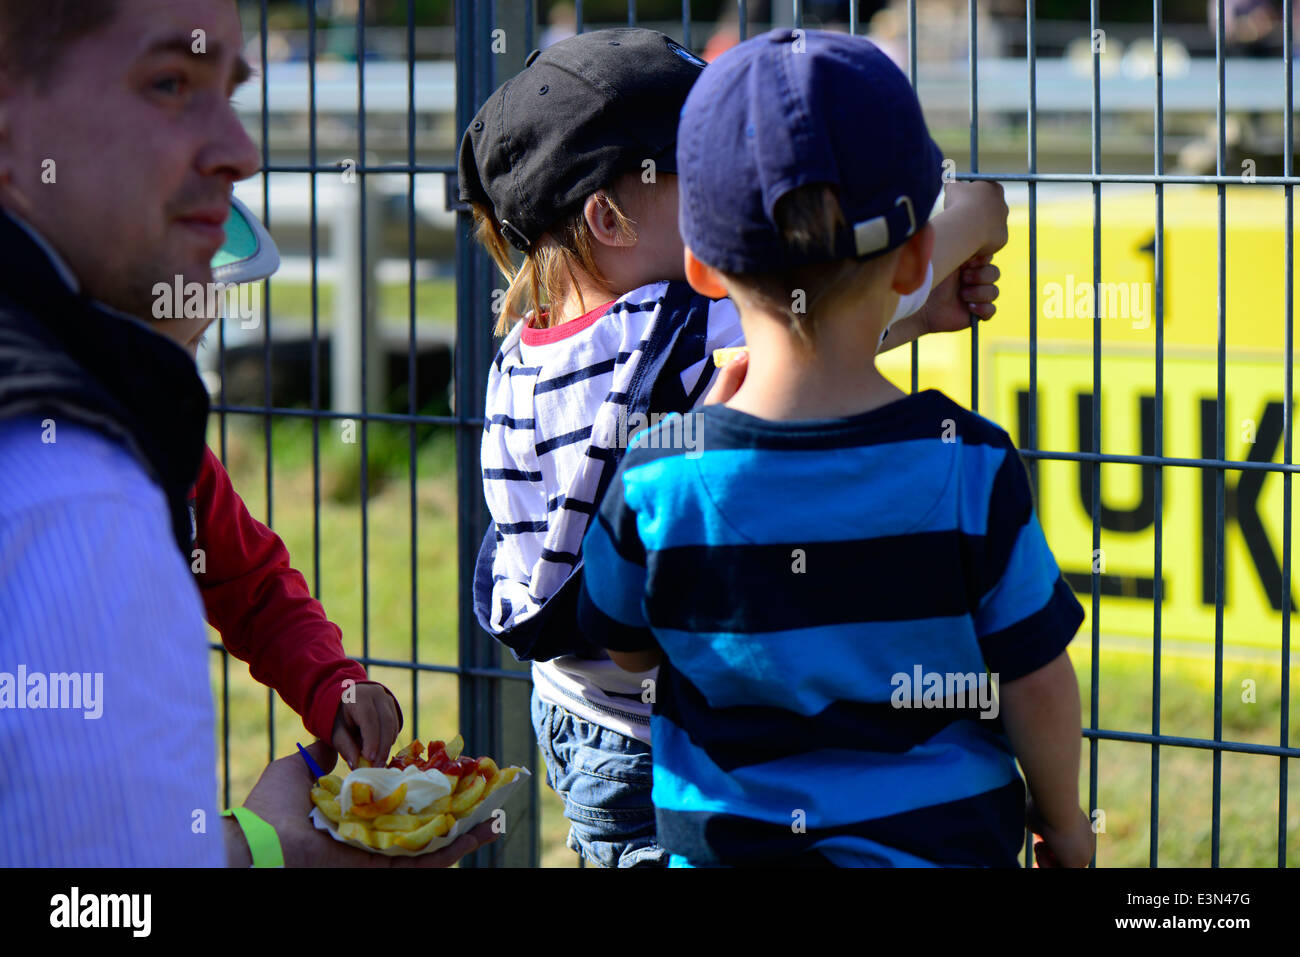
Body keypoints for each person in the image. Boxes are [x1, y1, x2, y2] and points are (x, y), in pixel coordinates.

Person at [458, 27, 1007, 867]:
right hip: (669, 740)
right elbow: (804, 322)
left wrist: (921, 313)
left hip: (573, 713)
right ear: (609, 214)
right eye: (707, 174)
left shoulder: (525, 351)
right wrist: (967, 219)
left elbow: (785, 346)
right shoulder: (665, 322)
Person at [578, 28, 1093, 868]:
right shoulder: (971, 465)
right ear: (920, 255)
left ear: (702, 266)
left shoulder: (656, 478)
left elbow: (628, 645)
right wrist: (1066, 825)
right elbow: (1035, 676)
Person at [0, 0, 490, 866]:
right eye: (167, 83)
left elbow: (253, 581)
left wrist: (330, 680)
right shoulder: (71, 486)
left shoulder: (138, 439)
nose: (242, 151)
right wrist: (267, 847)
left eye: (227, 88)